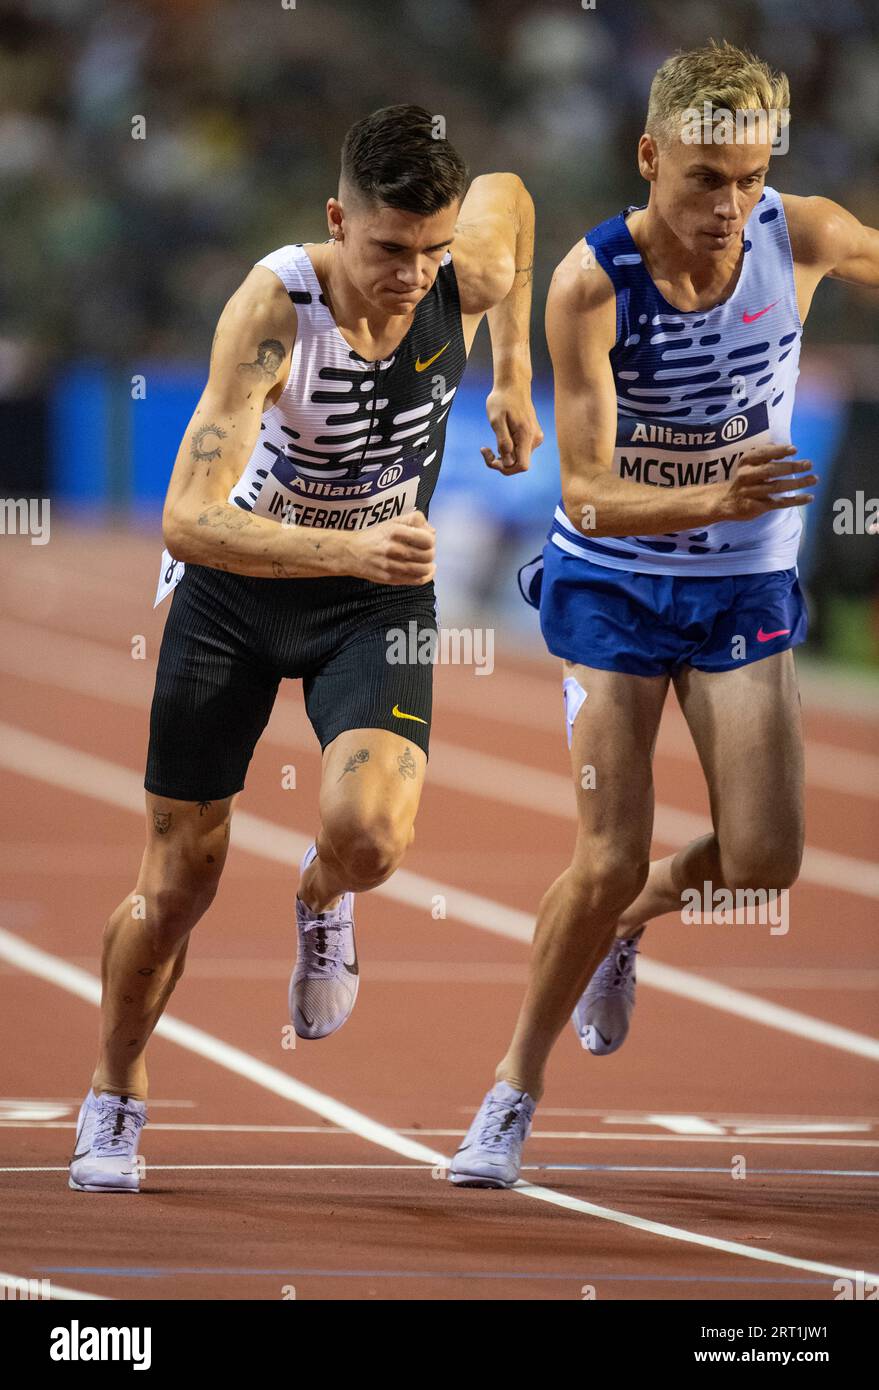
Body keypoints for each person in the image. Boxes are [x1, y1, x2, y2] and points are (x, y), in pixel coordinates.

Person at [69, 104, 542, 1193]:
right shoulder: (274, 309)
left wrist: (511, 370)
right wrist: (350, 539)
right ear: (338, 220)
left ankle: (322, 898)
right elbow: (187, 517)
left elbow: (511, 199)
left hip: (372, 601)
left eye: (432, 251)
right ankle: (115, 1089)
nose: (413, 275)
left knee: (371, 836)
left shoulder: (457, 267)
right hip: (236, 591)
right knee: (177, 884)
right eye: (387, 249)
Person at [451, 39, 879, 1188]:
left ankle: (635, 919)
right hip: (616, 582)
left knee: (767, 856)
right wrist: (716, 490)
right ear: (651, 156)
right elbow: (584, 488)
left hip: (742, 584)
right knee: (602, 852)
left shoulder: (808, 235)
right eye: (704, 177)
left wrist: (736, 514)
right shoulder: (593, 283)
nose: (730, 204)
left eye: (749, 177)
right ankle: (511, 1087)